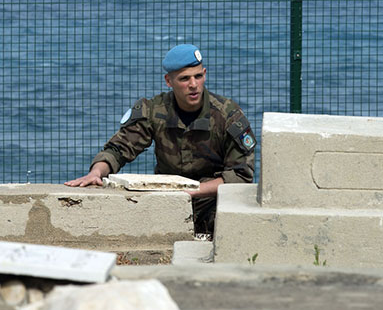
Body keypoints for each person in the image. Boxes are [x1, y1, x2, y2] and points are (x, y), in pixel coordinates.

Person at [65, 44, 255, 235]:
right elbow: (119, 149)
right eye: (184, 79)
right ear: (168, 81)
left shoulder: (227, 115)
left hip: (214, 205)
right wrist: (96, 172)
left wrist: (193, 191)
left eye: (198, 76)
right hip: (167, 204)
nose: (193, 84)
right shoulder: (154, 110)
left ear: (204, 73)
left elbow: (240, 175)